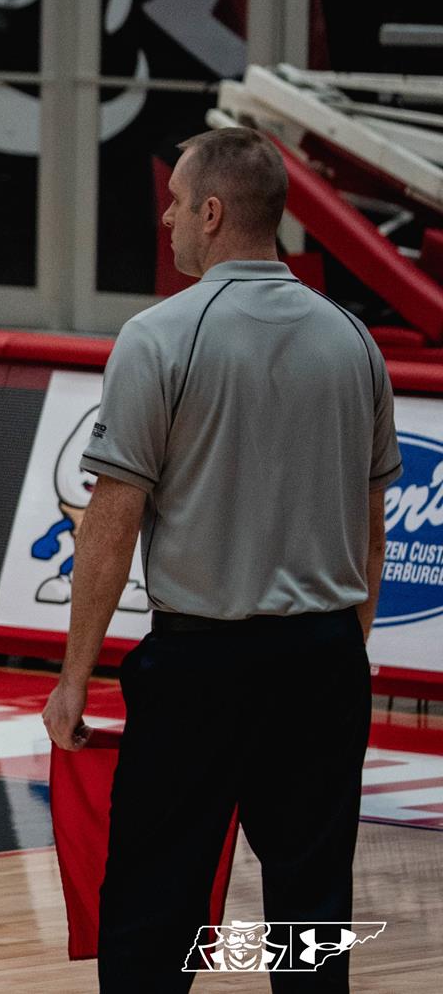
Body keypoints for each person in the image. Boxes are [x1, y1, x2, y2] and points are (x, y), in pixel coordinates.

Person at [40, 126, 396, 993]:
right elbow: (371, 522)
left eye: (174, 203)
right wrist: (345, 646)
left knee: (154, 908)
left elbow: (110, 526)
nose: (165, 219)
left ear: (211, 211)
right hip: (323, 664)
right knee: (313, 917)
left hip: (204, 666)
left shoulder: (160, 336)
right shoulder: (355, 340)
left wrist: (75, 675)